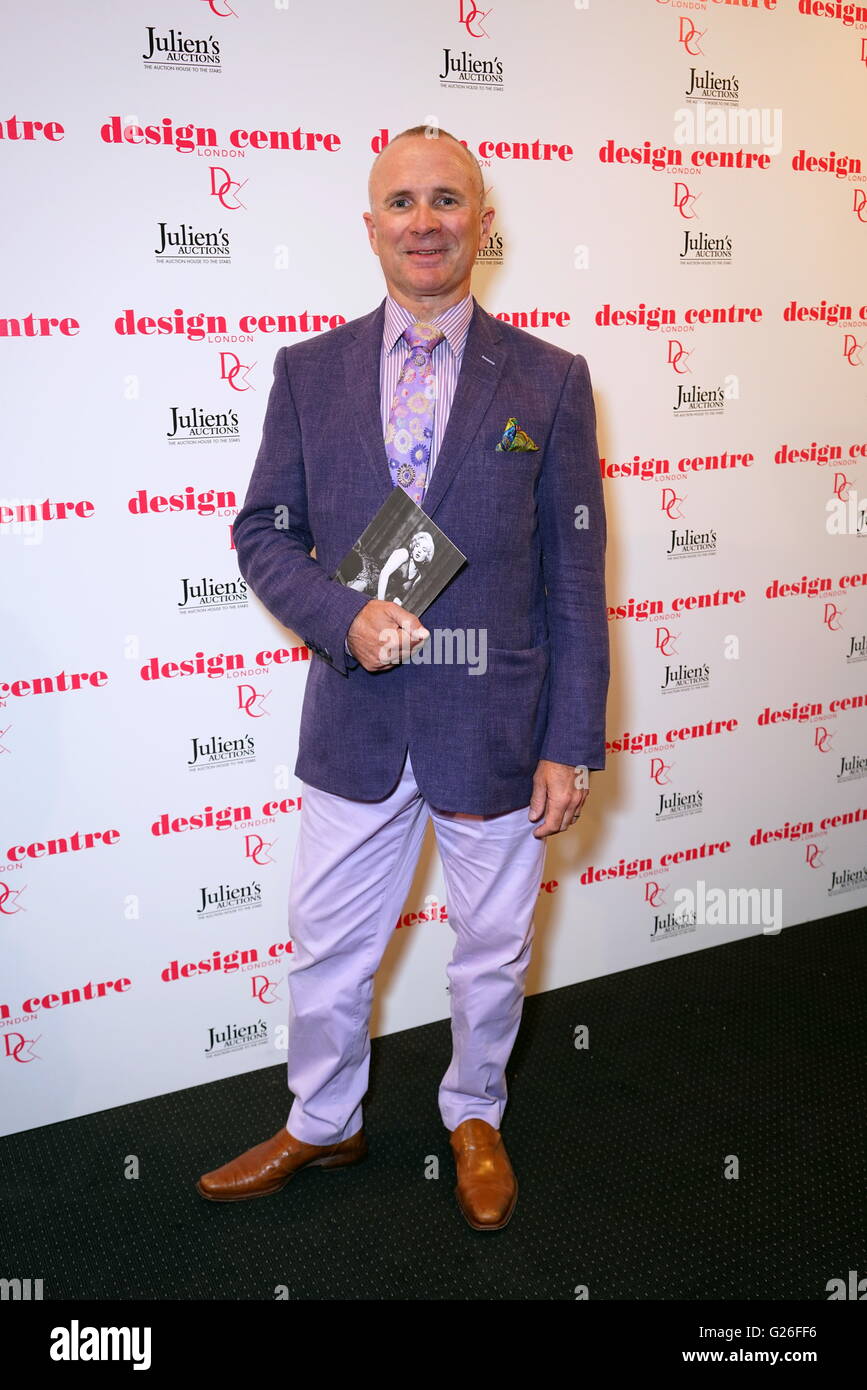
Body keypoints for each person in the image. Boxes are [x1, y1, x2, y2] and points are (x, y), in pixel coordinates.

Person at [196, 124, 610, 1230]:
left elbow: (575, 575)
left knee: (492, 950)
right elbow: (263, 531)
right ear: (371, 224)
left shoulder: (555, 381)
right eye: (401, 202)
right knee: (330, 944)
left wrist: (572, 738)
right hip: (359, 722)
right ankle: (321, 1122)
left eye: (446, 200)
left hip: (499, 727)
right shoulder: (307, 372)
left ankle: (474, 1114)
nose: (424, 221)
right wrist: (342, 616)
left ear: (481, 220)